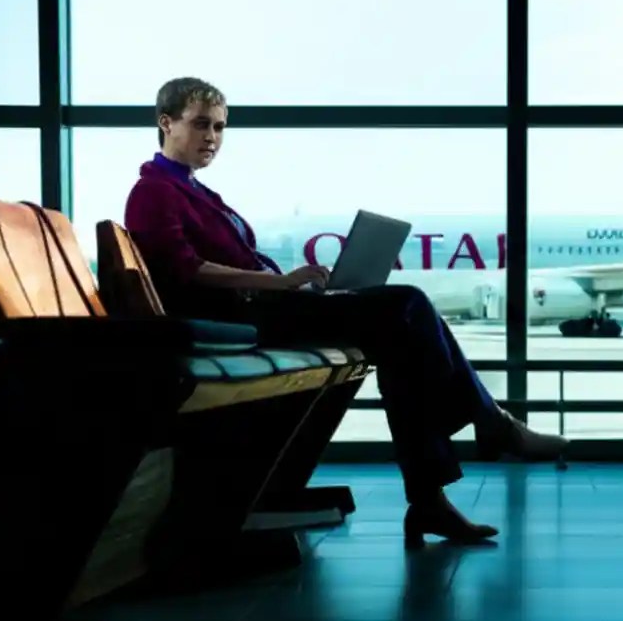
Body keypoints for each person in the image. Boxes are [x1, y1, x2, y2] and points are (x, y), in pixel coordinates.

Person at [123, 77, 568, 547]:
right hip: (244, 321)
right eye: (199, 124)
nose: (211, 137)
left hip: (268, 308)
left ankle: (430, 500)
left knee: (400, 343)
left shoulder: (197, 192)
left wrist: (301, 283)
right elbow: (184, 271)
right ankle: (488, 429)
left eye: (218, 127)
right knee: (407, 304)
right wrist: (279, 282)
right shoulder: (152, 192)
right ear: (165, 123)